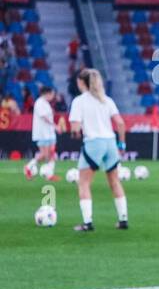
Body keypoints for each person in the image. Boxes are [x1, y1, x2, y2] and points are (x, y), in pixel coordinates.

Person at [67, 69, 128, 232]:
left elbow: (75, 128)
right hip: (110, 142)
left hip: (94, 143)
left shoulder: (79, 101)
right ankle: (123, 219)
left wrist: (74, 132)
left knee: (84, 182)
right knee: (115, 181)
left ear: (82, 83)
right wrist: (122, 145)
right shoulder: (106, 100)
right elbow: (121, 124)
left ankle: (87, 222)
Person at [26, 83, 59, 178]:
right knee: (44, 154)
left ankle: (49, 174)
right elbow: (44, 117)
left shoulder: (45, 103)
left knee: (51, 153)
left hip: (49, 133)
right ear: (47, 93)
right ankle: (29, 166)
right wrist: (55, 125)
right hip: (42, 133)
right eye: (52, 94)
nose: (53, 96)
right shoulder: (39, 102)